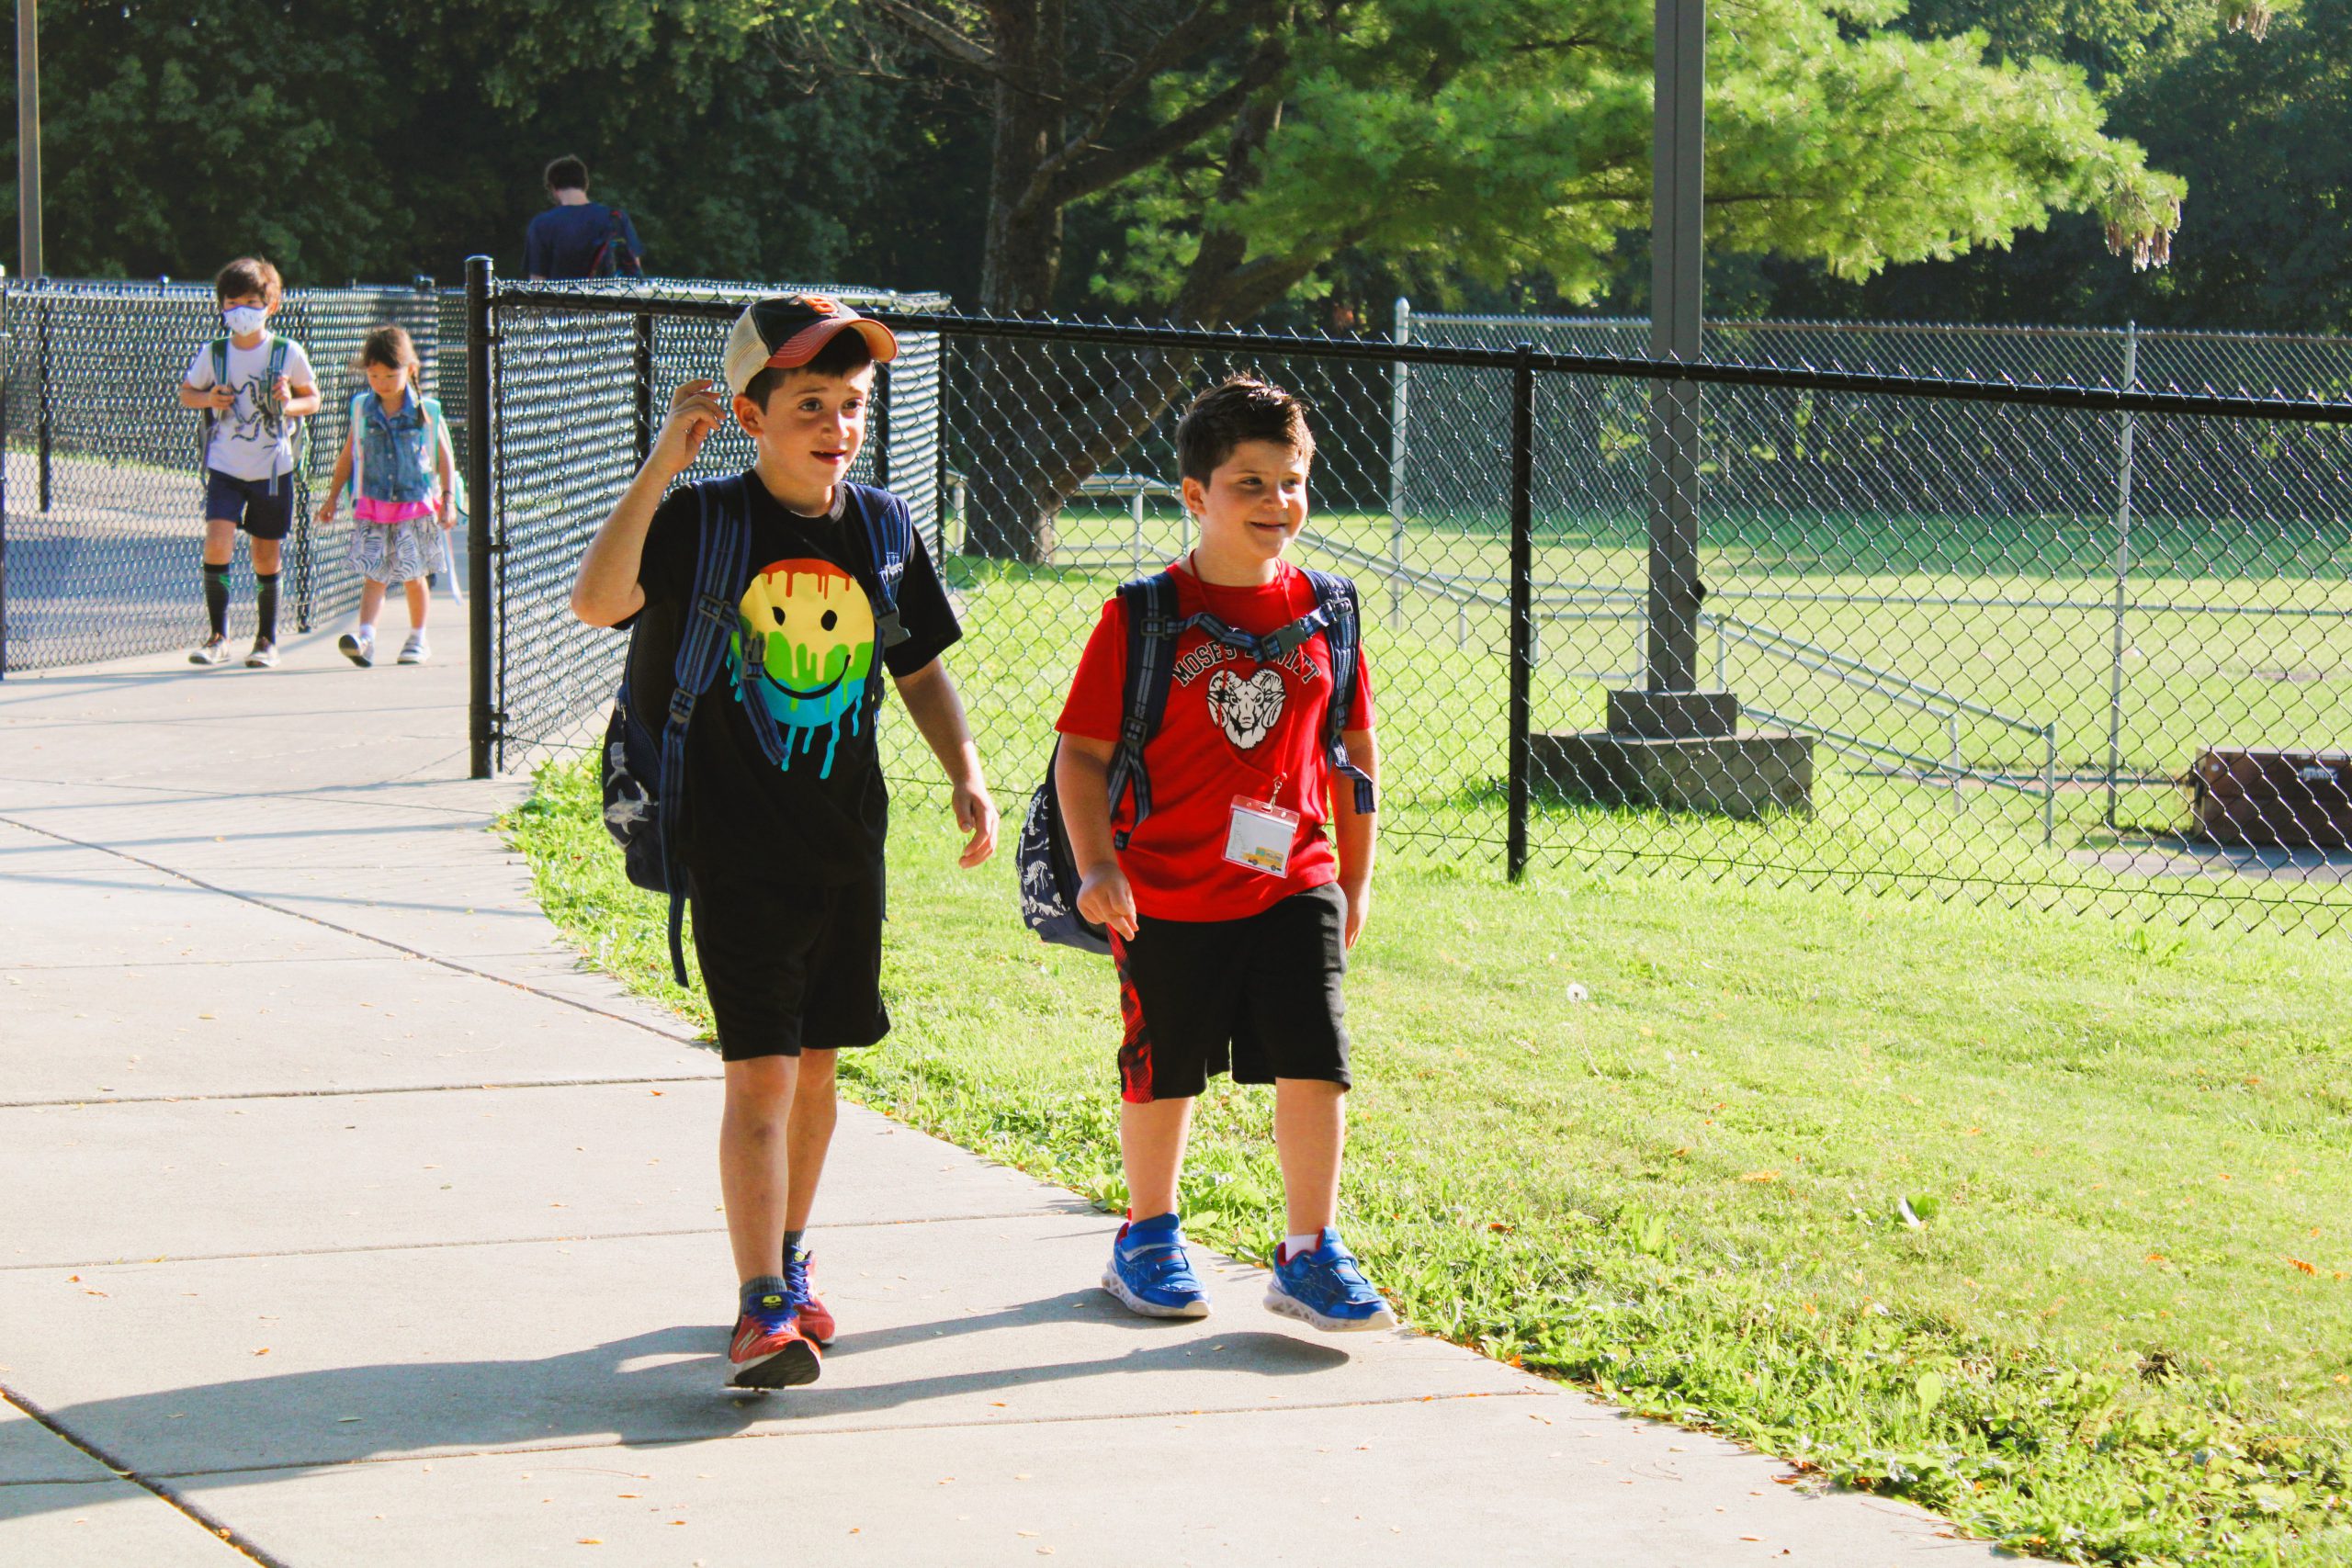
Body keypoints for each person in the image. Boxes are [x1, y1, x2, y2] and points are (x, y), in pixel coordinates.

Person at [568, 294, 1000, 1390]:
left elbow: (916, 666)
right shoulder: (704, 520)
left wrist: (965, 772)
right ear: (750, 415)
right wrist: (665, 459)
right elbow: (596, 600)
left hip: (844, 844)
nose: (837, 425)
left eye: (851, 405)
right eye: (810, 402)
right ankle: (761, 1305)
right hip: (734, 847)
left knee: (817, 1069)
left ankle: (792, 1259)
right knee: (760, 1074)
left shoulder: (882, 528)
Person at [1053, 375, 1394, 1333]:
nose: (1277, 503)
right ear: (1195, 496)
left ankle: (1309, 1250)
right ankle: (1148, 1235)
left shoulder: (1329, 610)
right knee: (1164, 1068)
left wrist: (1354, 878)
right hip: (1161, 889)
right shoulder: (1143, 616)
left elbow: (1353, 751)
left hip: (1296, 879)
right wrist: (1097, 866)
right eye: (1249, 483)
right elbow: (1080, 754)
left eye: (1292, 481)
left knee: (1316, 1058)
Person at [175, 256, 322, 668]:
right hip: (225, 464)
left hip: (272, 468)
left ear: (271, 305)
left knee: (265, 553)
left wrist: (289, 402)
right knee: (217, 539)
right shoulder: (214, 352)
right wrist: (210, 398)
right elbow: (188, 393)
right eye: (233, 301)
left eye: (252, 301)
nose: (241, 310)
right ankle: (218, 636)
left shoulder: (286, 351)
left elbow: (313, 398)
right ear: (221, 305)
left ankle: (266, 639)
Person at [314, 325, 458, 666]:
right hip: (374, 504)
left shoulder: (425, 411)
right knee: (374, 574)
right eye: (374, 374)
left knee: (413, 573)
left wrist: (448, 500)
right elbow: (348, 456)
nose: (381, 382)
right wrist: (332, 497)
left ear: (410, 369)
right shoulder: (362, 409)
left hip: (414, 504)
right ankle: (365, 636)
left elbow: (444, 459)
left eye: (390, 375)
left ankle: (418, 638)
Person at [525, 155, 646, 281]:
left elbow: (537, 282)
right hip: (608, 299)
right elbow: (633, 270)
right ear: (586, 184)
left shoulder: (541, 224)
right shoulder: (616, 218)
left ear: (553, 188)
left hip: (561, 299)